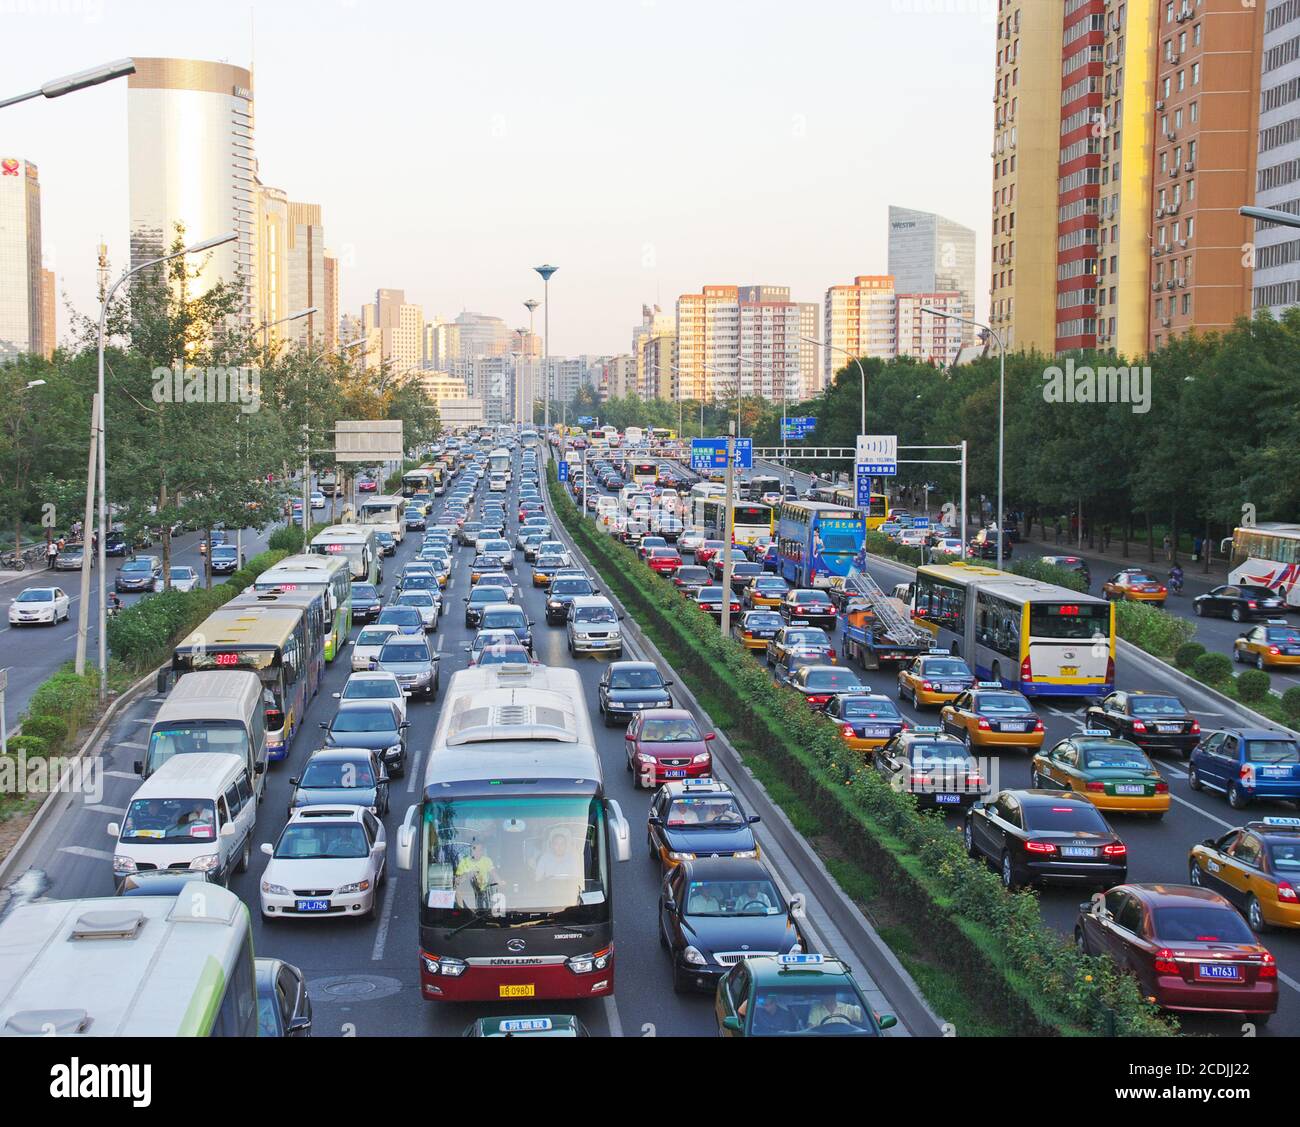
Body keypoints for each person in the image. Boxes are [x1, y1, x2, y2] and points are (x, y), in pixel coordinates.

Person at [454, 841, 499, 907]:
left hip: (485, 892)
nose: (477, 852)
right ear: (471, 851)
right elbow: (457, 882)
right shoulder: (464, 862)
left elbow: (494, 874)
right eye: (474, 849)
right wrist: (468, 875)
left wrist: (500, 882)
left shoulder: (487, 861)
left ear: (482, 851)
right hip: (468, 894)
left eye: (479, 850)